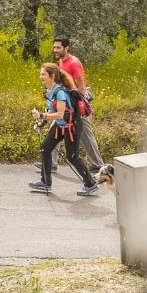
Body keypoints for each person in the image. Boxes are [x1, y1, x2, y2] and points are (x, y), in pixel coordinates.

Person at [30, 62, 98, 197]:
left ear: (52, 76)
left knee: (72, 157)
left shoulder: (60, 92)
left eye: (43, 74)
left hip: (72, 127)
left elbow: (60, 114)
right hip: (61, 126)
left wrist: (42, 115)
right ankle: (45, 183)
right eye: (40, 74)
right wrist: (41, 122)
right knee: (45, 148)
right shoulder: (50, 91)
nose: (40, 77)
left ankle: (90, 184)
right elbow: (52, 110)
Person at [52, 35, 107, 176]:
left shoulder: (73, 63)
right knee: (55, 127)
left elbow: (81, 87)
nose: (55, 50)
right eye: (54, 47)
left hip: (77, 104)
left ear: (66, 48)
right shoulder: (61, 61)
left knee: (86, 135)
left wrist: (79, 107)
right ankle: (50, 162)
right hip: (67, 102)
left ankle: (97, 165)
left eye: (58, 47)